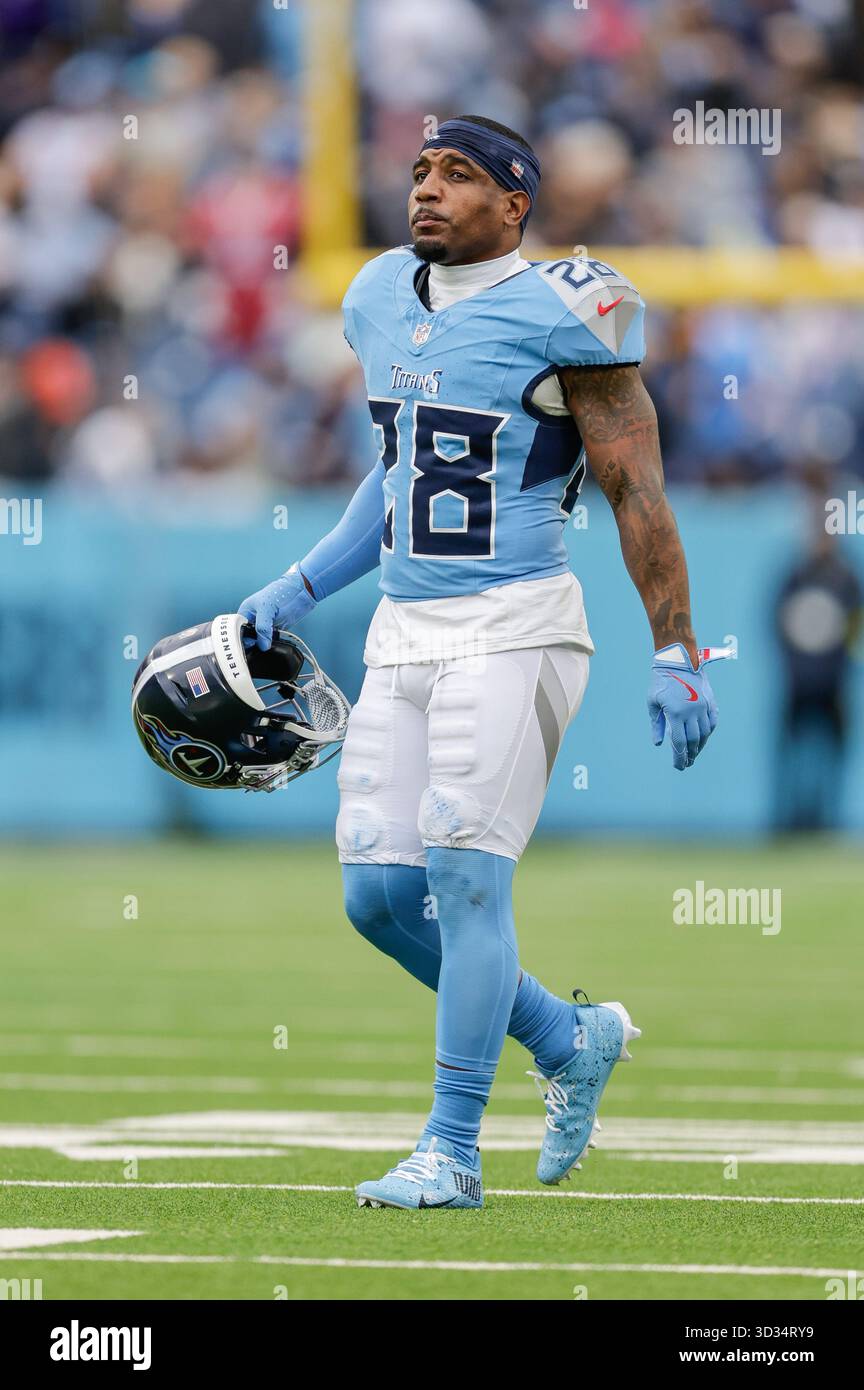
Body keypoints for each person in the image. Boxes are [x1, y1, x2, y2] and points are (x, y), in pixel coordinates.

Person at [239, 116, 717, 1210]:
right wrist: (304, 583)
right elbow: (398, 471)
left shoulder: (566, 308)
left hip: (515, 621)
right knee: (378, 898)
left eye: (460, 175)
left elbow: (634, 485)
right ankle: (569, 1035)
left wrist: (679, 644)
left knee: (462, 883)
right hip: (405, 629)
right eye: (418, 171)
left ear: (515, 206)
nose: (428, 189)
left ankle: (450, 1148)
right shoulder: (372, 297)